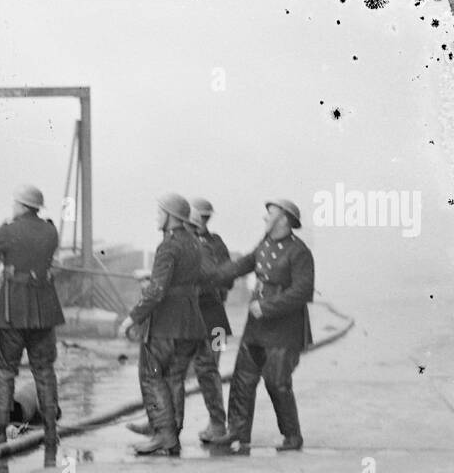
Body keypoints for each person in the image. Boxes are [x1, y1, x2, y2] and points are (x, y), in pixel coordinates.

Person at [205, 198, 314, 451]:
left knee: (277, 382)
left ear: (284, 219)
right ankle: (238, 433)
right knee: (243, 379)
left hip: (284, 331)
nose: (265, 218)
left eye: (270, 214)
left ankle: (292, 436)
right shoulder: (264, 245)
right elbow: (240, 266)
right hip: (257, 329)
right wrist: (205, 278)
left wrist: (267, 307)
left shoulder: (299, 252)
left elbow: (303, 291)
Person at [0, 184, 65, 461]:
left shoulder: (9, 230)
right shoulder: (50, 231)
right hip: (44, 311)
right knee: (44, 371)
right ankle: (49, 431)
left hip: (13, 311)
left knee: (3, 371)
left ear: (21, 205)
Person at [119, 193, 205, 456]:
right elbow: (180, 278)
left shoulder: (167, 246)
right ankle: (169, 431)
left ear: (171, 217)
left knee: (152, 377)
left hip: (167, 324)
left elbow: (157, 291)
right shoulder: (194, 242)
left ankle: (163, 436)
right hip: (191, 322)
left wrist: (132, 318)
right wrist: (152, 276)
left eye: (160, 213)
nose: (157, 217)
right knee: (174, 378)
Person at [186, 198, 233, 442]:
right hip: (192, 317)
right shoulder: (184, 241)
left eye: (206, 217)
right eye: (199, 216)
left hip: (216, 319)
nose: (202, 221)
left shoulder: (216, 243)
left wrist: (209, 281)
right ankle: (159, 422)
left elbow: (229, 277)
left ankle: (217, 424)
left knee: (209, 370)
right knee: (173, 370)